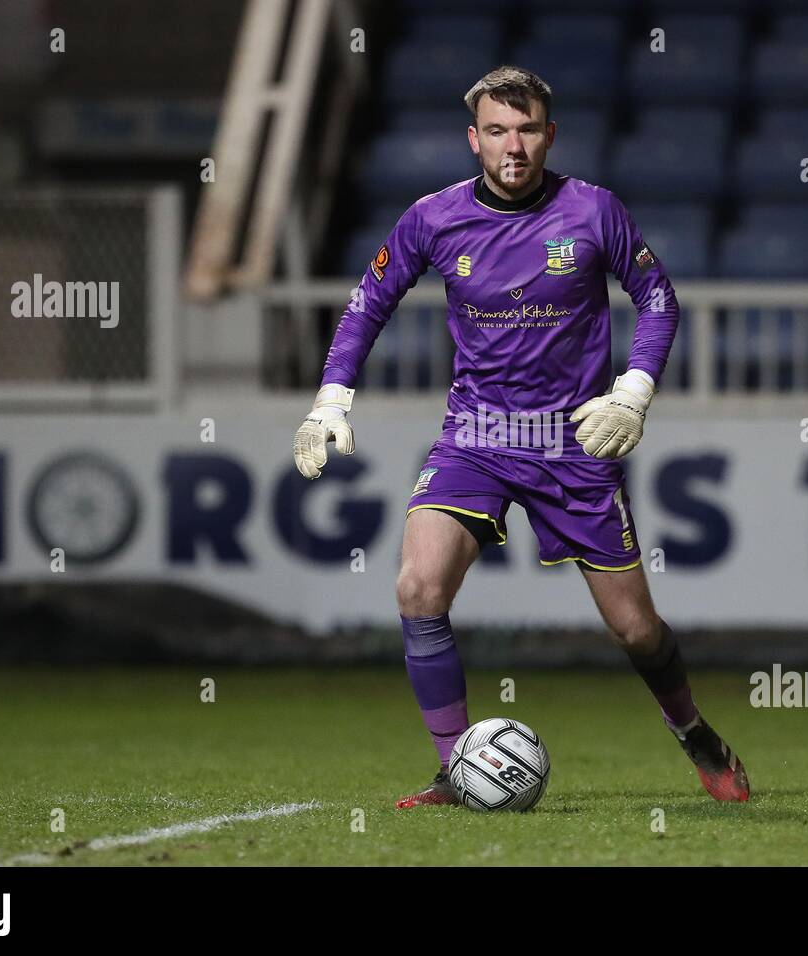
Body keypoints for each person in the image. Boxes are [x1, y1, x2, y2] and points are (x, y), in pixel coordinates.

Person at [294, 66, 749, 807]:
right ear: (474, 139)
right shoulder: (433, 218)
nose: (514, 146)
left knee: (636, 631)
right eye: (498, 131)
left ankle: (692, 729)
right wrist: (331, 399)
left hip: (574, 444)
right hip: (474, 437)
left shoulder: (593, 211)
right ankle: (455, 770)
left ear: (549, 135)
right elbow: (367, 302)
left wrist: (633, 392)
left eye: (528, 129)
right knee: (417, 589)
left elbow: (658, 299)